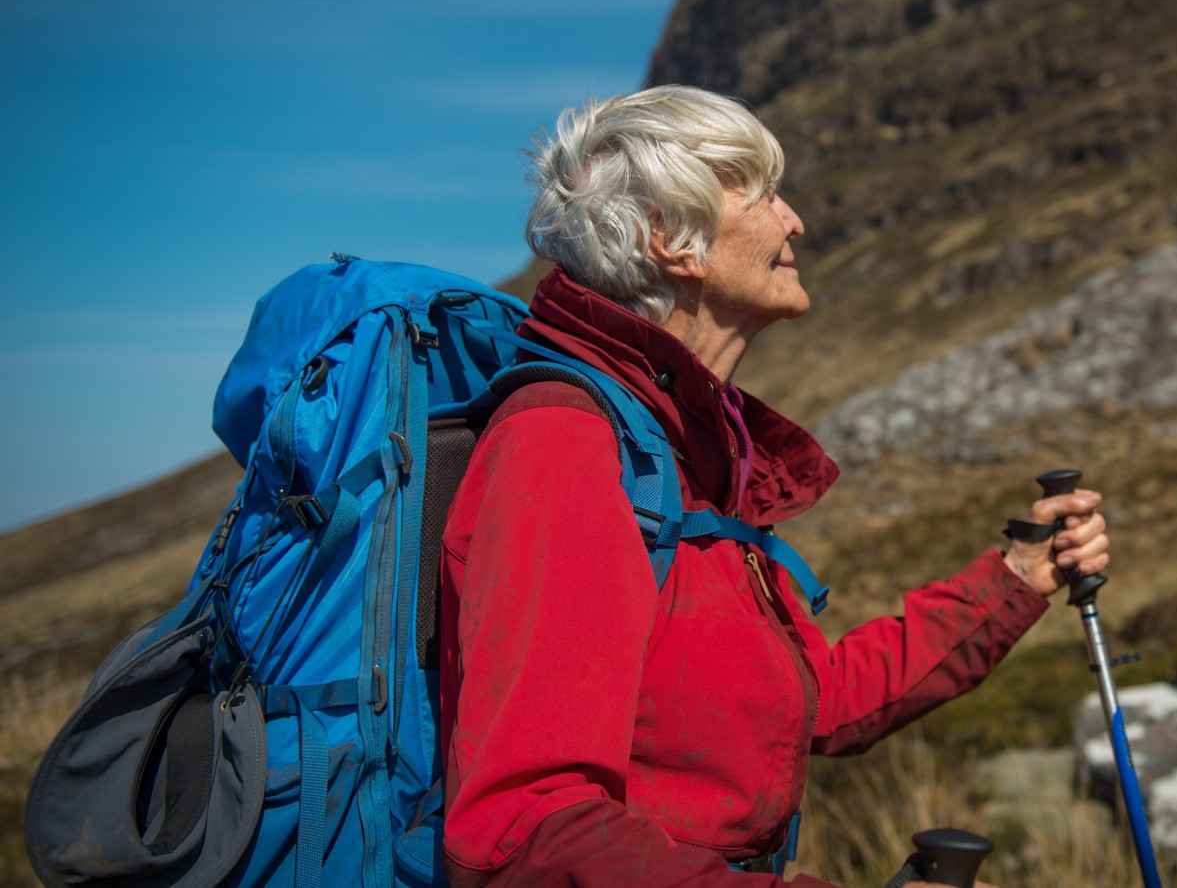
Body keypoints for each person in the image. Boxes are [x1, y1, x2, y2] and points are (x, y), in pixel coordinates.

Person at [438, 85, 1110, 887]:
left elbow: (807, 705)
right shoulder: (564, 444)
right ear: (670, 239)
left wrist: (1013, 585)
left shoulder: (681, 455)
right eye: (761, 195)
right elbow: (529, 824)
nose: (795, 220)